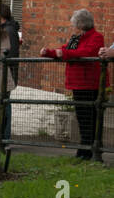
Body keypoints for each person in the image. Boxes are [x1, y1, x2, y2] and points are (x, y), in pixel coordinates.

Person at [40, 8, 105, 160]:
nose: (73, 27)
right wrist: (49, 52)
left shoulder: (97, 37)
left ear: (81, 24)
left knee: (89, 118)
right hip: (78, 83)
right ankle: (83, 150)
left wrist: (64, 54)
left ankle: (89, 151)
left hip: (89, 84)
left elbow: (86, 53)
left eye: (75, 24)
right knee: (82, 118)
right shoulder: (76, 38)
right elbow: (65, 50)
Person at [0, 4, 21, 141]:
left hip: (6, 73)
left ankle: (5, 136)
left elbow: (10, 54)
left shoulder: (8, 31)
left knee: (5, 104)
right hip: (5, 72)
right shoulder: (8, 29)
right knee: (3, 104)